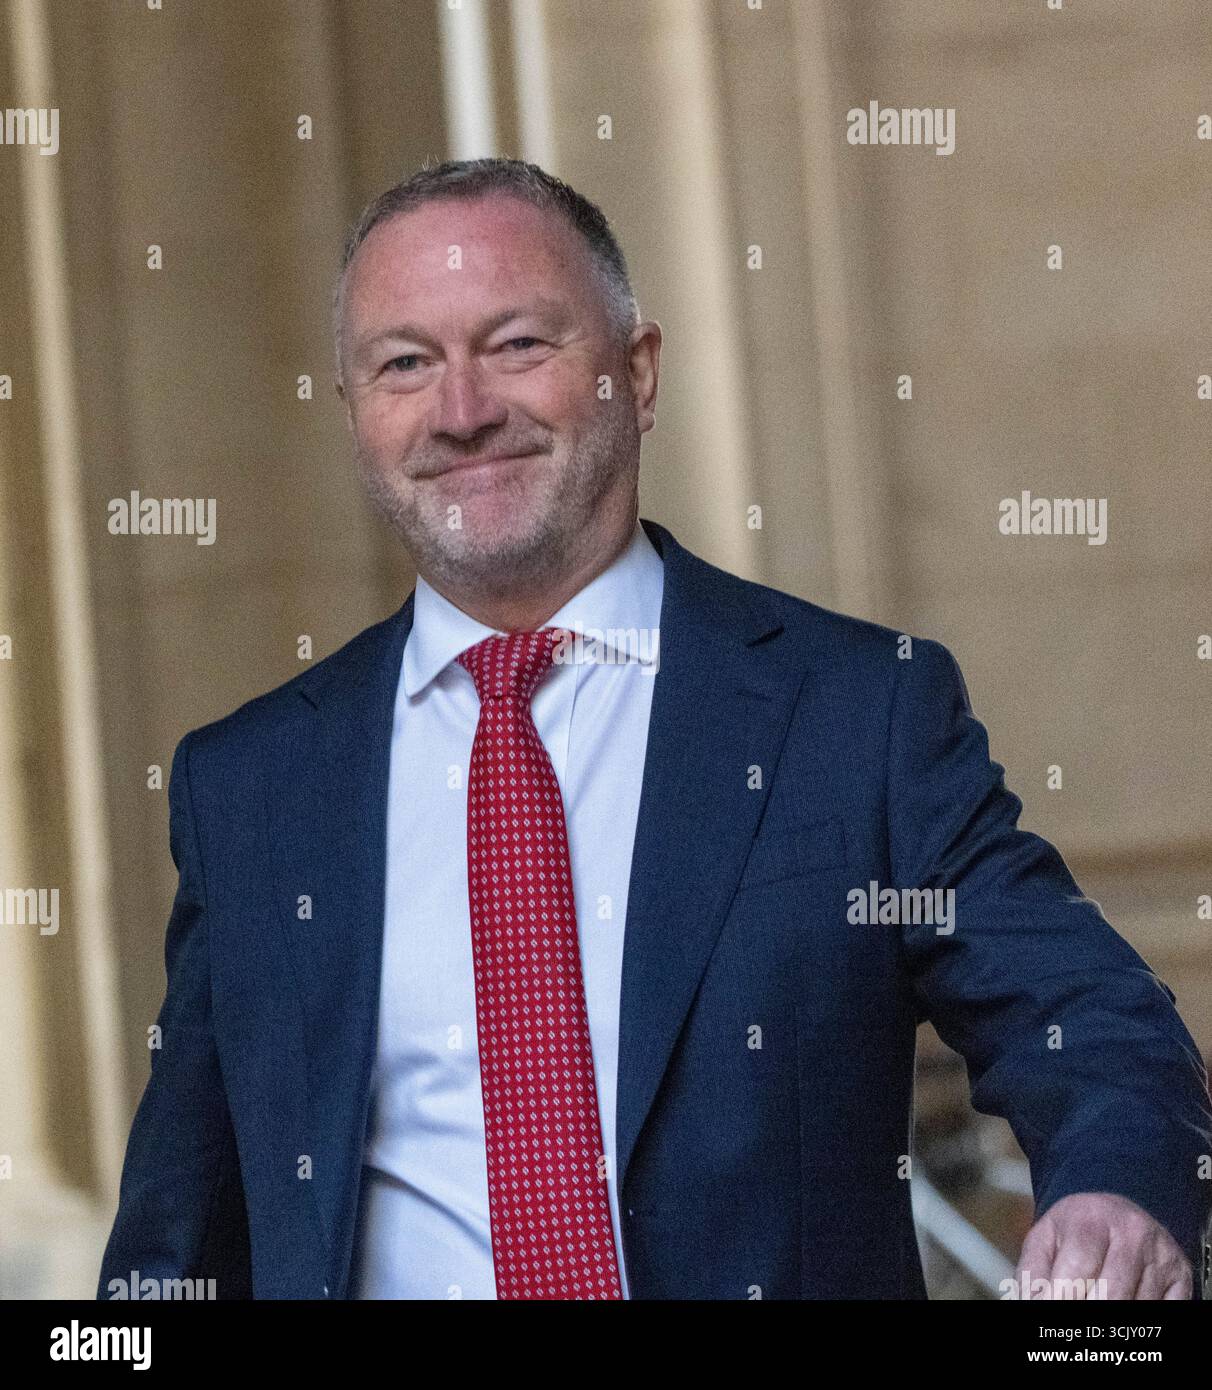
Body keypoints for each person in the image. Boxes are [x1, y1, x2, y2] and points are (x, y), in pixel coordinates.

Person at [98, 157, 1211, 1301]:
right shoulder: (251, 785)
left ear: (635, 371)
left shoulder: (853, 715)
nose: (464, 409)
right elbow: (177, 1233)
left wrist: (1113, 1194)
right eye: (405, 363)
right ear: (352, 412)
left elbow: (1089, 1017)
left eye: (519, 344)